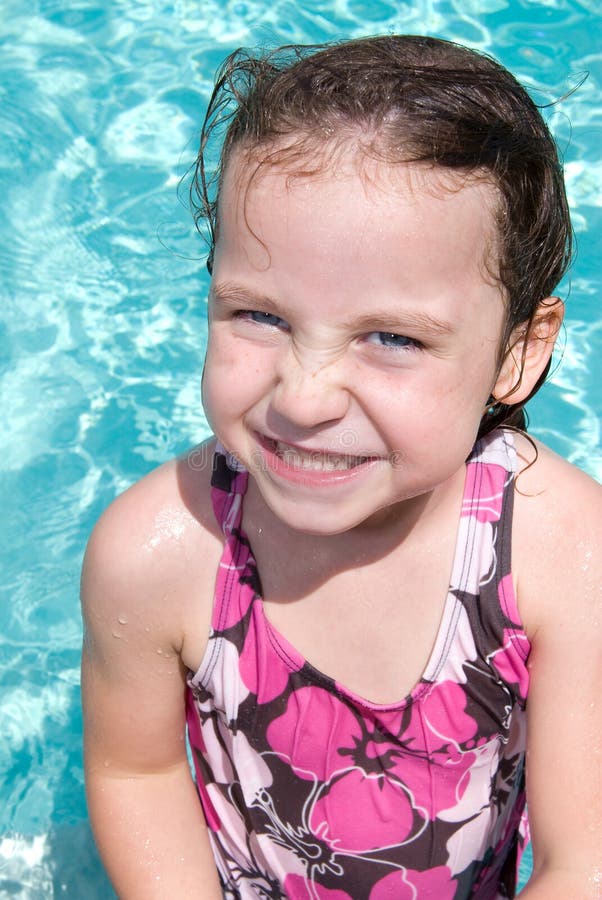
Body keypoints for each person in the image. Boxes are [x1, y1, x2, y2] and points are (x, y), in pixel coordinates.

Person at [81, 34, 601, 898]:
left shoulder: (560, 555)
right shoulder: (160, 554)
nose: (307, 393)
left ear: (518, 352)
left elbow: (584, 859)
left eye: (392, 337)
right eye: (258, 315)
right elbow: (137, 775)